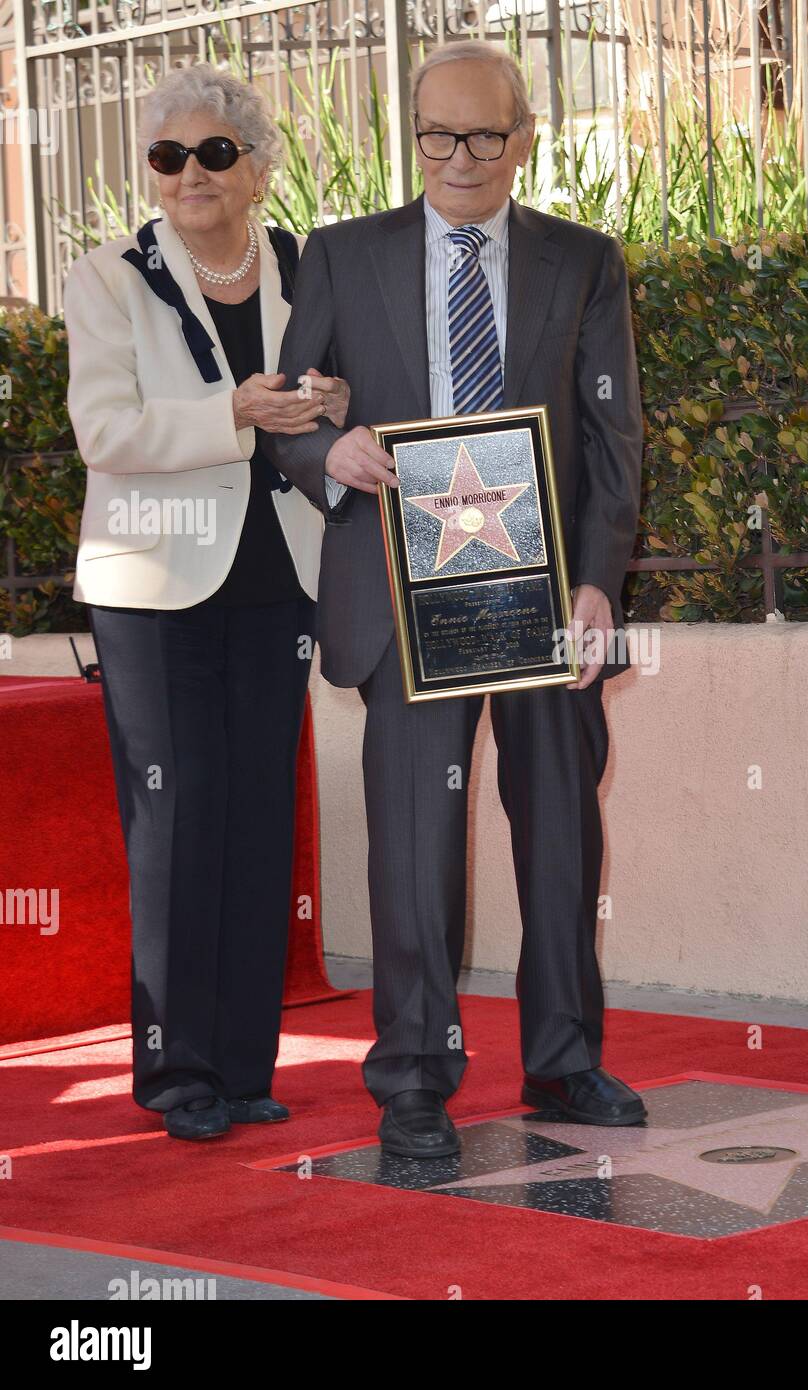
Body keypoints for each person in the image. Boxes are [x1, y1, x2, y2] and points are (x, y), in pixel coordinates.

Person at [265, 39, 644, 1158]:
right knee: (415, 843)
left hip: (540, 593)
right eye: (440, 134)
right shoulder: (340, 254)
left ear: (524, 138)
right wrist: (332, 454)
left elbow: (612, 438)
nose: (462, 157)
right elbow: (292, 410)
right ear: (413, 136)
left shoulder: (586, 261)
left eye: (486, 135)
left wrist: (596, 584)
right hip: (401, 592)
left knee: (563, 832)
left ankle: (566, 1062)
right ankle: (414, 1080)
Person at [63, 64, 349, 1141]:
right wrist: (236, 411)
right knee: (176, 821)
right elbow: (108, 432)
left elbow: (338, 388)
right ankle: (177, 1073)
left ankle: (243, 1062)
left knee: (258, 817)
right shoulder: (107, 279)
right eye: (168, 156)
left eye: (215, 153)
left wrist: (331, 401)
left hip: (276, 572)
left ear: (259, 167)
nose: (190, 174)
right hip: (152, 583)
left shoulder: (298, 264)